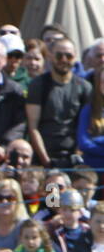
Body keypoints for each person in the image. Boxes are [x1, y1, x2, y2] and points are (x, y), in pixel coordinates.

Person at [27, 37, 90, 168]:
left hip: (75, 156)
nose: (64, 60)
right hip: (44, 156)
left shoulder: (84, 87)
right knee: (52, 189)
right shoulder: (38, 85)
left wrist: (77, 155)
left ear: (75, 57)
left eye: (69, 56)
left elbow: (86, 125)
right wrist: (46, 161)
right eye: (59, 55)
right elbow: (33, 126)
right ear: (50, 56)